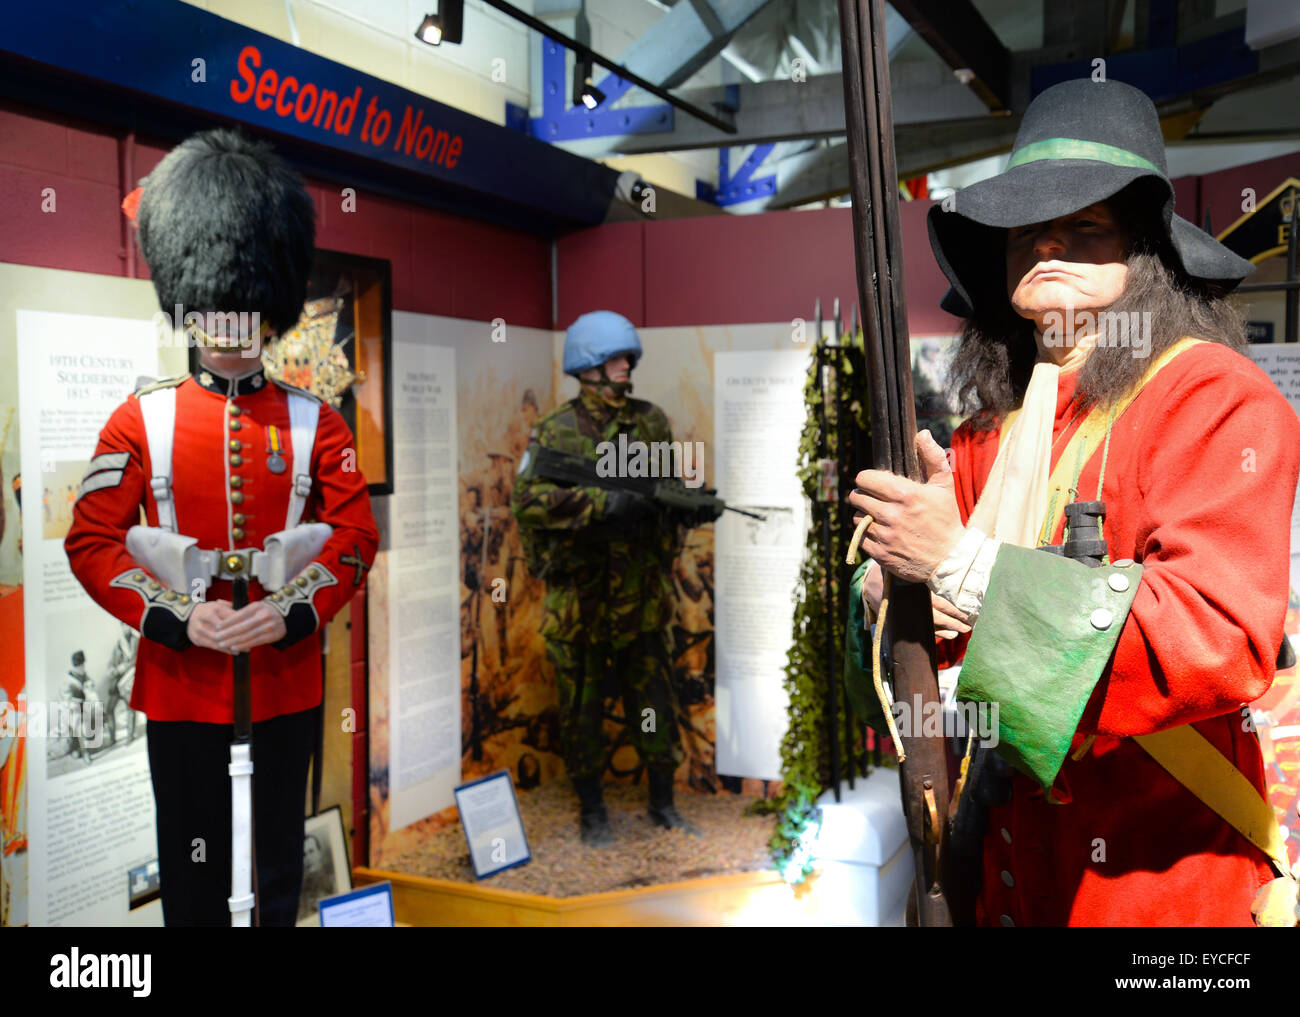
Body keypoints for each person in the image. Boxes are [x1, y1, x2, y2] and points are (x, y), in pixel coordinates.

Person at [847, 78, 1300, 926]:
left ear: (1146, 254)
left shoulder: (1218, 401)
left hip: (1156, 881)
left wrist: (961, 563)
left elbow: (1214, 636)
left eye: (1085, 225)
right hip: (1009, 864)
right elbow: (930, 649)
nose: (1047, 243)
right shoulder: (995, 429)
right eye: (1027, 229)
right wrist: (895, 589)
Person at [65, 128, 379, 926]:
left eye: (244, 302)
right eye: (213, 301)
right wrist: (178, 615)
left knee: (276, 879)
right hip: (182, 688)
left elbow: (354, 537)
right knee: (196, 883)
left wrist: (290, 608)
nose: (229, 319)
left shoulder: (318, 425)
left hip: (284, 681)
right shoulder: (142, 418)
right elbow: (92, 540)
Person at [511, 311, 701, 845]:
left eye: (628, 358)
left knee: (654, 709)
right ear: (588, 365)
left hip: (641, 601)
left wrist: (685, 507)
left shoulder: (650, 422)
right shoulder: (555, 432)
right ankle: (592, 810)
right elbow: (526, 502)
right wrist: (601, 504)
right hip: (582, 606)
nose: (626, 365)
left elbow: (664, 486)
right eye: (616, 358)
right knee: (582, 714)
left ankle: (662, 803)